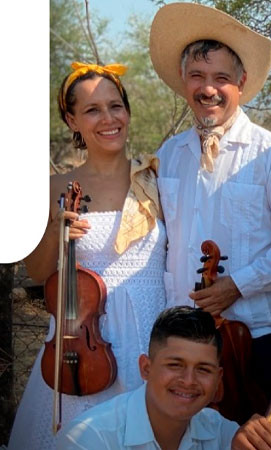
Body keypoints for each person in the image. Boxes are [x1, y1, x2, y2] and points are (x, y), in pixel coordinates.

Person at [149, 3, 271, 404]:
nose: (208, 88)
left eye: (221, 78)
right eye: (197, 76)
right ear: (184, 81)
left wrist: (238, 285)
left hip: (255, 337)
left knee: (255, 432)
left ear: (241, 82)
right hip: (183, 338)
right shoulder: (168, 155)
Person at [10, 62, 167, 449]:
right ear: (72, 120)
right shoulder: (55, 187)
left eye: (116, 106)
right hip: (80, 346)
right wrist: (55, 231)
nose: (109, 119)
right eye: (93, 110)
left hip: (149, 334)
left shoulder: (155, 179)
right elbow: (38, 272)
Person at [57, 306, 271, 450]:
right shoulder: (88, 439)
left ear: (218, 379)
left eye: (203, 369)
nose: (189, 380)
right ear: (146, 368)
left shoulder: (223, 433)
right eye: (175, 365)